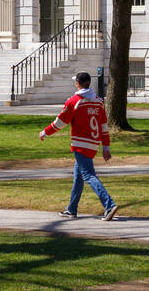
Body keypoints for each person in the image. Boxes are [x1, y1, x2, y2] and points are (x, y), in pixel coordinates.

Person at [40, 71, 118, 220]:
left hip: (81, 143)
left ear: (77, 83)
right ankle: (72, 209)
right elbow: (103, 125)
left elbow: (60, 121)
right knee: (79, 176)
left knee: (88, 175)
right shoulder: (98, 101)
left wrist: (45, 132)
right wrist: (106, 147)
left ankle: (109, 205)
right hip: (93, 143)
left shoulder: (74, 101)